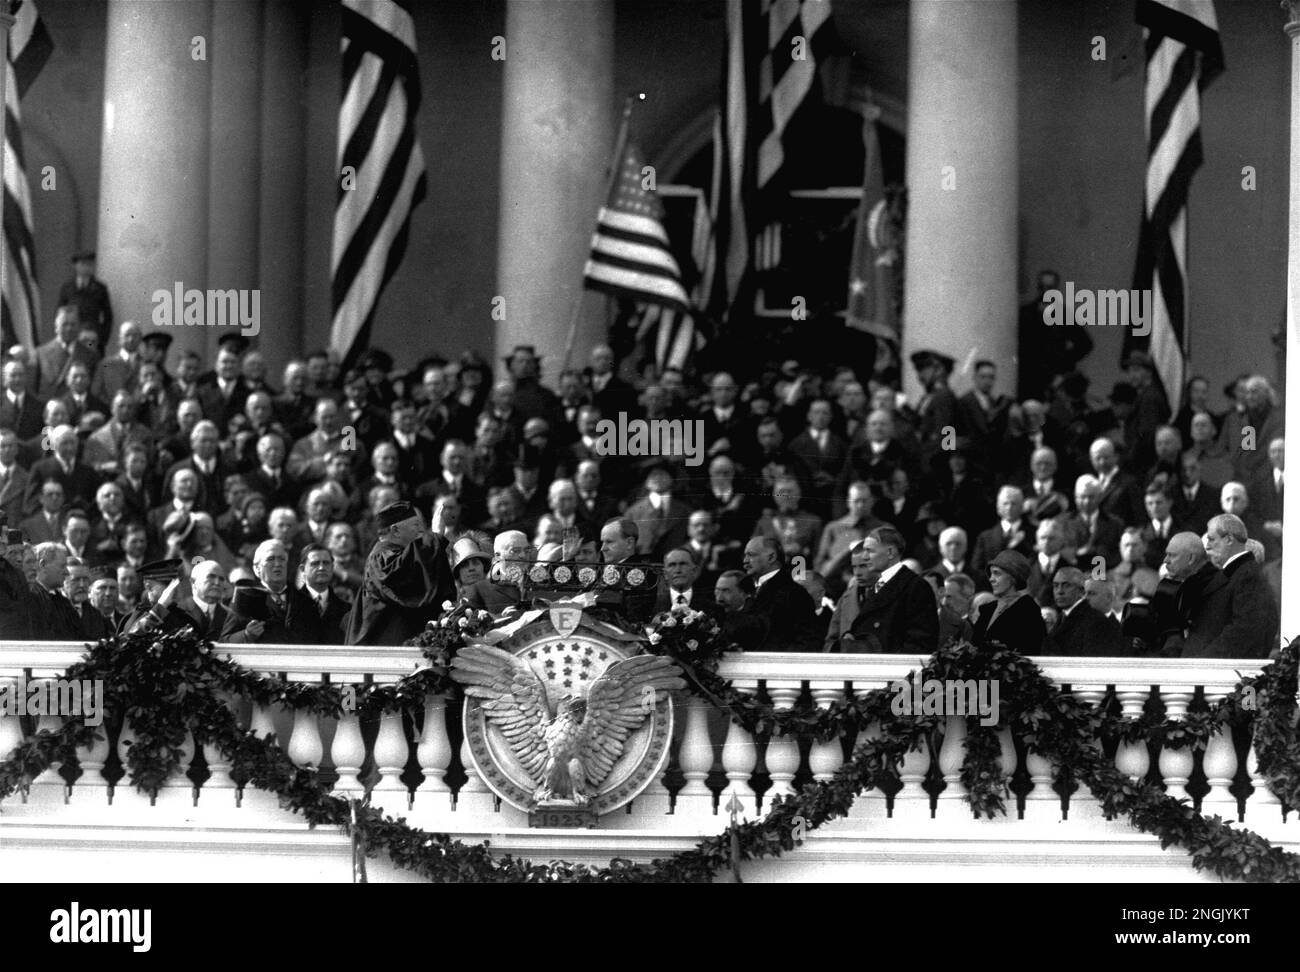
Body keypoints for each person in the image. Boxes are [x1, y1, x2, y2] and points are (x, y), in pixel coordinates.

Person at [345, 500, 455, 645]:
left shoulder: (396, 554)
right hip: (384, 644)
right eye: (416, 525)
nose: (421, 530)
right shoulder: (382, 558)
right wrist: (434, 538)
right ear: (395, 530)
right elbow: (403, 573)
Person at [839, 526, 937, 654]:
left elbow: (920, 642)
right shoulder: (877, 585)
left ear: (890, 552)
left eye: (870, 551)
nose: (865, 556)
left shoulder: (916, 587)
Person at [1198, 514, 1280, 658]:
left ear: (1229, 540)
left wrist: (1200, 659)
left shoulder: (1247, 577)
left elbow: (1243, 632)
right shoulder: (1236, 576)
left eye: (1211, 539)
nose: (1207, 546)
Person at [741, 536, 818, 652]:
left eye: (751, 555)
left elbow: (808, 640)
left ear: (771, 557)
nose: (745, 561)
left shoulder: (794, 594)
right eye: (745, 555)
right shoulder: (749, 590)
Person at [971, 550, 1046, 655]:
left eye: (997, 573)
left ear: (1013, 577)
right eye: (991, 574)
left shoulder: (1028, 610)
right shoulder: (987, 610)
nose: (991, 579)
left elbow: (1029, 651)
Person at [221, 540, 293, 643]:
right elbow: (224, 641)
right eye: (270, 559)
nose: (277, 564)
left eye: (282, 559)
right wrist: (246, 635)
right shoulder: (244, 598)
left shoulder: (303, 599)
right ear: (257, 569)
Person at [1044, 565, 1121, 656]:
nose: (1059, 591)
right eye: (1055, 586)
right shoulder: (1062, 617)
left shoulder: (1095, 621)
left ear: (1081, 591)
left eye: (1066, 585)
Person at [287, 544, 350, 645]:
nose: (321, 568)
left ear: (332, 567)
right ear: (303, 569)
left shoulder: (347, 610)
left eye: (326, 563)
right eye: (315, 563)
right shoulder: (290, 605)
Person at [120, 558, 193, 635]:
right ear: (148, 587)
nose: (174, 590)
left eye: (173, 585)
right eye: (168, 585)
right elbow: (131, 636)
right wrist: (161, 607)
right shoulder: (139, 614)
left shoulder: (183, 617)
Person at [713, 569, 767, 651]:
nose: (719, 598)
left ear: (743, 592)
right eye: (717, 591)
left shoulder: (756, 618)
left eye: (726, 591)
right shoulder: (714, 613)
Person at [655, 546, 713, 613]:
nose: (678, 570)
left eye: (683, 564)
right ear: (665, 573)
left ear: (694, 571)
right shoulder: (653, 606)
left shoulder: (710, 607)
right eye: (672, 565)